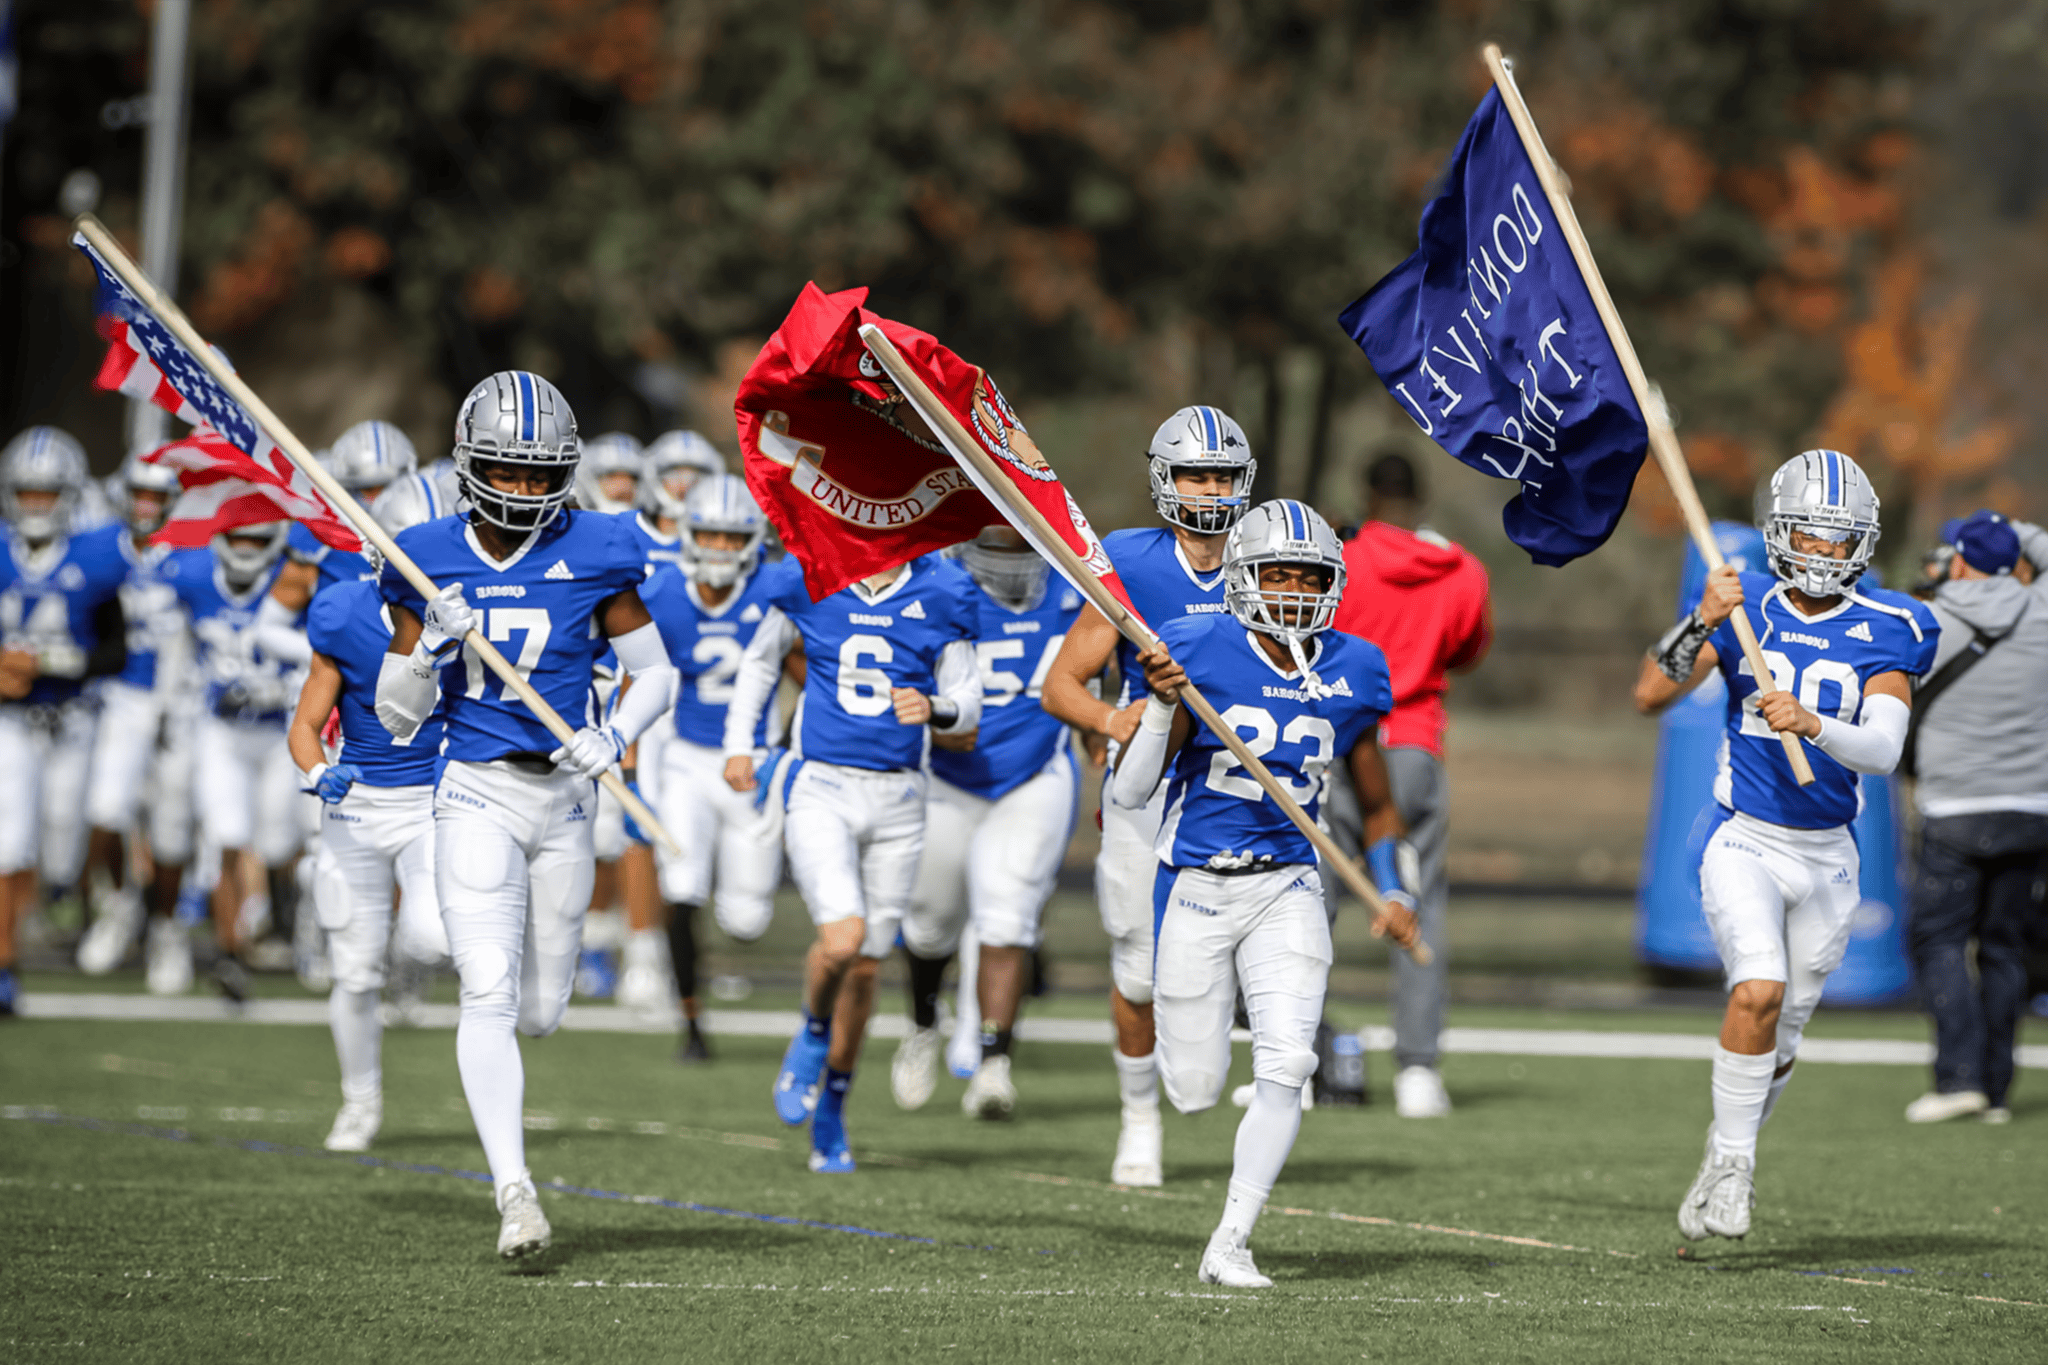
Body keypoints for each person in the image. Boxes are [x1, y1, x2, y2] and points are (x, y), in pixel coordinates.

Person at [375, 370, 676, 1258]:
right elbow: (396, 714)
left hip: (568, 797)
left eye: (540, 474)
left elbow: (655, 673)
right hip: (474, 788)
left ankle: (444, 944)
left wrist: (613, 733)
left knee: (541, 1009)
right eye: (506, 472)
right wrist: (428, 645)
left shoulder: (598, 548)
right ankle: (516, 1192)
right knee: (490, 990)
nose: (523, 490)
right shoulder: (426, 551)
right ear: (472, 466)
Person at [1110, 498, 1416, 1287]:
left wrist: (1397, 888)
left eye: (1307, 575)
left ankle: (1232, 1240)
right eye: (1275, 573)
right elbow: (1132, 792)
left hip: (1290, 886)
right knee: (1195, 1089)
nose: (1290, 589)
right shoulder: (1196, 648)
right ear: (1243, 578)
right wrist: (1164, 705)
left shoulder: (1354, 666)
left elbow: (1377, 804)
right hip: (1198, 886)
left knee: (1289, 1062)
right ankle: (1176, 1114)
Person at [1634, 449, 1937, 1242]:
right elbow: (1650, 693)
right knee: (1757, 991)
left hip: (1828, 854)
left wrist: (1815, 724)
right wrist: (1700, 617)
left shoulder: (1892, 625)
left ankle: (1722, 1151)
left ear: (1863, 545)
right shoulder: (1745, 609)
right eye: (1808, 532)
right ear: (1779, 532)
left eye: (1839, 539)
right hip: (1745, 839)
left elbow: (1883, 749)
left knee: (1786, 1031)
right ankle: (1737, 1166)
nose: (1821, 552)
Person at [1040, 404, 1254, 1187]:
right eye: (1196, 472)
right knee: (1137, 968)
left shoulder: (1266, 555)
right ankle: (1138, 1117)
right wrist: (1111, 715)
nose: (1208, 489)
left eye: (1221, 474)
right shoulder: (1129, 560)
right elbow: (1060, 684)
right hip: (1148, 784)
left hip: (1238, 786)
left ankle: (1242, 1081)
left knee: (1242, 947)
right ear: (1166, 478)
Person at [722, 550, 980, 1174]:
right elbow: (760, 661)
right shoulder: (812, 570)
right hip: (823, 784)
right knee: (842, 940)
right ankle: (812, 1032)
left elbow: (968, 704)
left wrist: (935, 709)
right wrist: (739, 743)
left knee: (865, 970)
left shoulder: (944, 586)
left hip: (901, 796)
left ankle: (833, 1108)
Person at [892, 528, 1085, 1120]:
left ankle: (994, 1064)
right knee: (927, 928)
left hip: (1034, 772)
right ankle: (925, 1022)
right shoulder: (933, 590)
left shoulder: (1078, 589)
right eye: (998, 550)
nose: (1012, 565)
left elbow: (1110, 663)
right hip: (948, 778)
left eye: (1023, 548)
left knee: (1008, 918)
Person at [286, 485, 451, 1152]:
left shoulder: (472, 615)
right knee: (354, 971)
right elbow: (305, 722)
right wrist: (317, 769)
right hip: (355, 807)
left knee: (433, 936)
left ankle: (406, 964)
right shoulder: (343, 610)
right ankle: (360, 1100)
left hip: (434, 803)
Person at [1326, 451, 1491, 1117]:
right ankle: (1418, 1070)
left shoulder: (1344, 556)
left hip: (1343, 742)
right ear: (1419, 498)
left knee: (1310, 902)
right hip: (1417, 744)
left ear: (1369, 494)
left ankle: (1301, 1053)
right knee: (1420, 902)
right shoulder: (1463, 568)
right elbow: (1469, 650)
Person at [1902, 511, 2048, 1125]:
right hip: (2032, 809)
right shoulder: (2040, 607)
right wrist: (2011, 533)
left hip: (1954, 807)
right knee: (2006, 948)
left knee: (1937, 940)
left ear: (1958, 561)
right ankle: (1994, 1090)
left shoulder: (1932, 619)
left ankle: (1956, 1077)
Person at [638, 473, 786, 1061]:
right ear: (688, 534)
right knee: (681, 885)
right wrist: (633, 755)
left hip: (754, 758)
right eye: (710, 535)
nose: (721, 548)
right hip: (687, 759)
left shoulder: (775, 586)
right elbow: (638, 674)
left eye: (733, 537)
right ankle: (691, 1023)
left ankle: (697, 1007)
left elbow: (806, 659)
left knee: (747, 919)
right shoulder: (662, 592)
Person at [0, 427, 130, 1015]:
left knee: (59, 844)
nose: (35, 505)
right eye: (27, 493)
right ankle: (5, 962)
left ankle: (76, 899)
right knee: (9, 843)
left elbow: (114, 651)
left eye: (46, 494)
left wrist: (46, 660)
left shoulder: (94, 555)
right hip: (10, 720)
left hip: (72, 719)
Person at [165, 520, 303, 998]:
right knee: (226, 836)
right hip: (221, 729)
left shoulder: (295, 579)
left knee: (281, 842)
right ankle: (228, 953)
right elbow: (176, 648)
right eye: (239, 537)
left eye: (257, 540)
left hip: (279, 732)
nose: (246, 548)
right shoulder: (193, 577)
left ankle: (293, 924)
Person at [611, 430, 721, 1011]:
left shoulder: (721, 535)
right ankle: (636, 950)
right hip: (625, 691)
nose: (682, 485)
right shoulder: (621, 535)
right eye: (673, 472)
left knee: (670, 831)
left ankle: (658, 952)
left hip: (696, 700)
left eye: (693, 473)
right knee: (627, 831)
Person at [75, 451, 188, 977]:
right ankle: (120, 907)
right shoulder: (97, 548)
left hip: (180, 701)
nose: (146, 506)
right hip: (118, 695)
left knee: (170, 826)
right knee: (106, 810)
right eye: (138, 494)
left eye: (156, 496)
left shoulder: (193, 554)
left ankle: (166, 930)